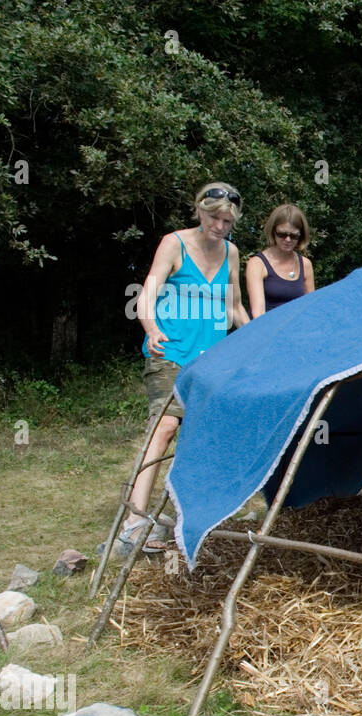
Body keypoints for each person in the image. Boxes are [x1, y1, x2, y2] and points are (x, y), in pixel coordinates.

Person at [120, 182, 248, 554]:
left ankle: (190, 515)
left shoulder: (231, 252)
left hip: (211, 360)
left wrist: (260, 336)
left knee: (201, 435)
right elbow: (148, 291)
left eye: (227, 221)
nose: (219, 226)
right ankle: (134, 519)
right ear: (199, 211)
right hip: (170, 352)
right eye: (213, 217)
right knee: (164, 426)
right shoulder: (173, 243)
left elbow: (235, 307)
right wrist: (151, 327)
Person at [245, 203, 316, 318]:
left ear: (301, 236)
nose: (288, 240)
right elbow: (258, 313)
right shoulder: (257, 263)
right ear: (273, 232)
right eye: (282, 234)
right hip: (266, 329)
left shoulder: (305, 264)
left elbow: (310, 308)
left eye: (293, 236)